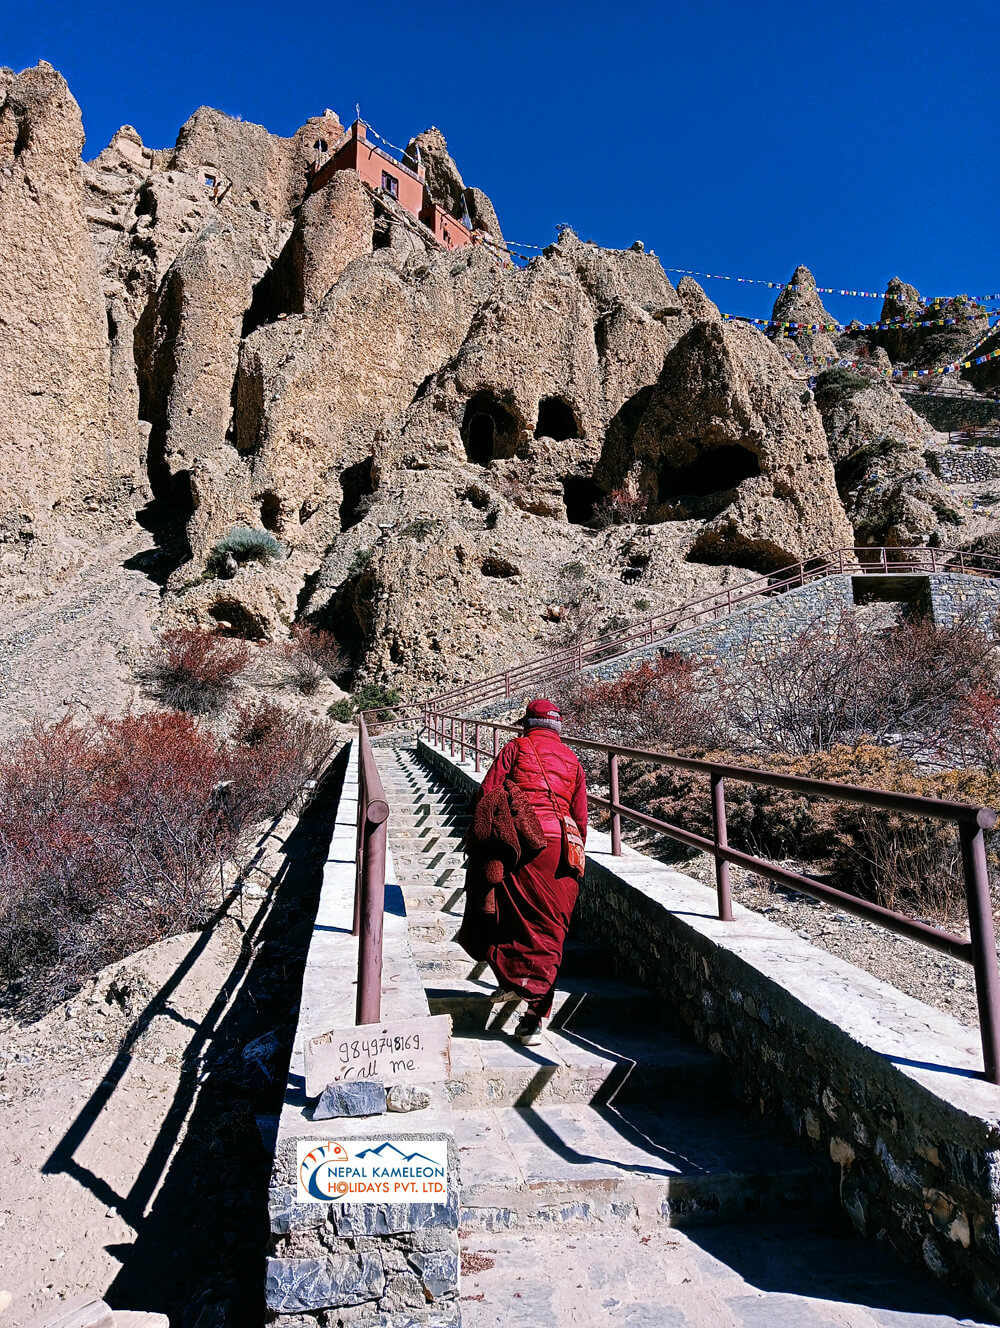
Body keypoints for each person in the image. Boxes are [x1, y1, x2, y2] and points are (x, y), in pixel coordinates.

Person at [475, 698, 587, 1045]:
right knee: (551, 931)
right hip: (564, 848)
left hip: (525, 842)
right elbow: (581, 817)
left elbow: (487, 791)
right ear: (557, 728)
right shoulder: (573, 760)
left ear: (528, 724)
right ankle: (534, 1020)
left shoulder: (516, 748)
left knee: (512, 915)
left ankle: (513, 979)